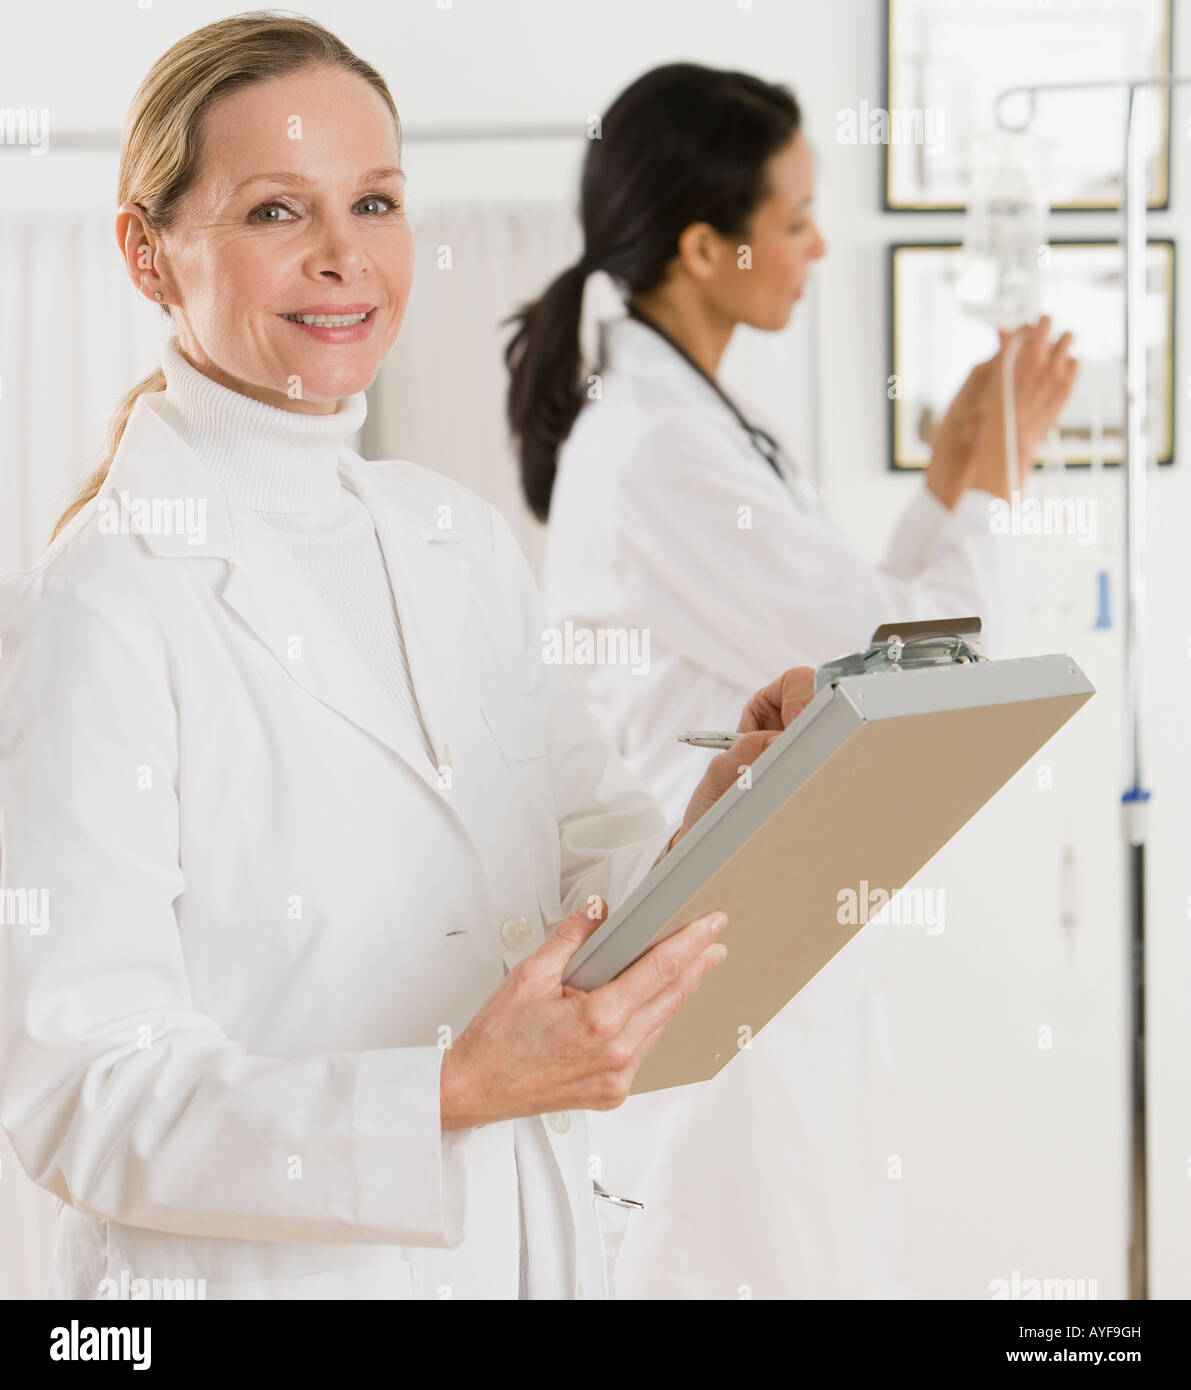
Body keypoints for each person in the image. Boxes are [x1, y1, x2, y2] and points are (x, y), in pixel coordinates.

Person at [0, 19, 814, 1302]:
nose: (345, 257)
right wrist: (446, 1091)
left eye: (375, 201)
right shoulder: (103, 600)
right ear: (146, 253)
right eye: (277, 209)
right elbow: (81, 1094)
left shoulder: (456, 543)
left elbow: (588, 875)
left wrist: (733, 812)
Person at [505, 63, 1078, 1297]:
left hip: (752, 949)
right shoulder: (659, 442)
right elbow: (913, 659)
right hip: (715, 954)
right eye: (798, 219)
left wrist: (946, 484)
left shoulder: (698, 421)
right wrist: (998, 470)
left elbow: (866, 641)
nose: (820, 246)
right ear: (707, 247)